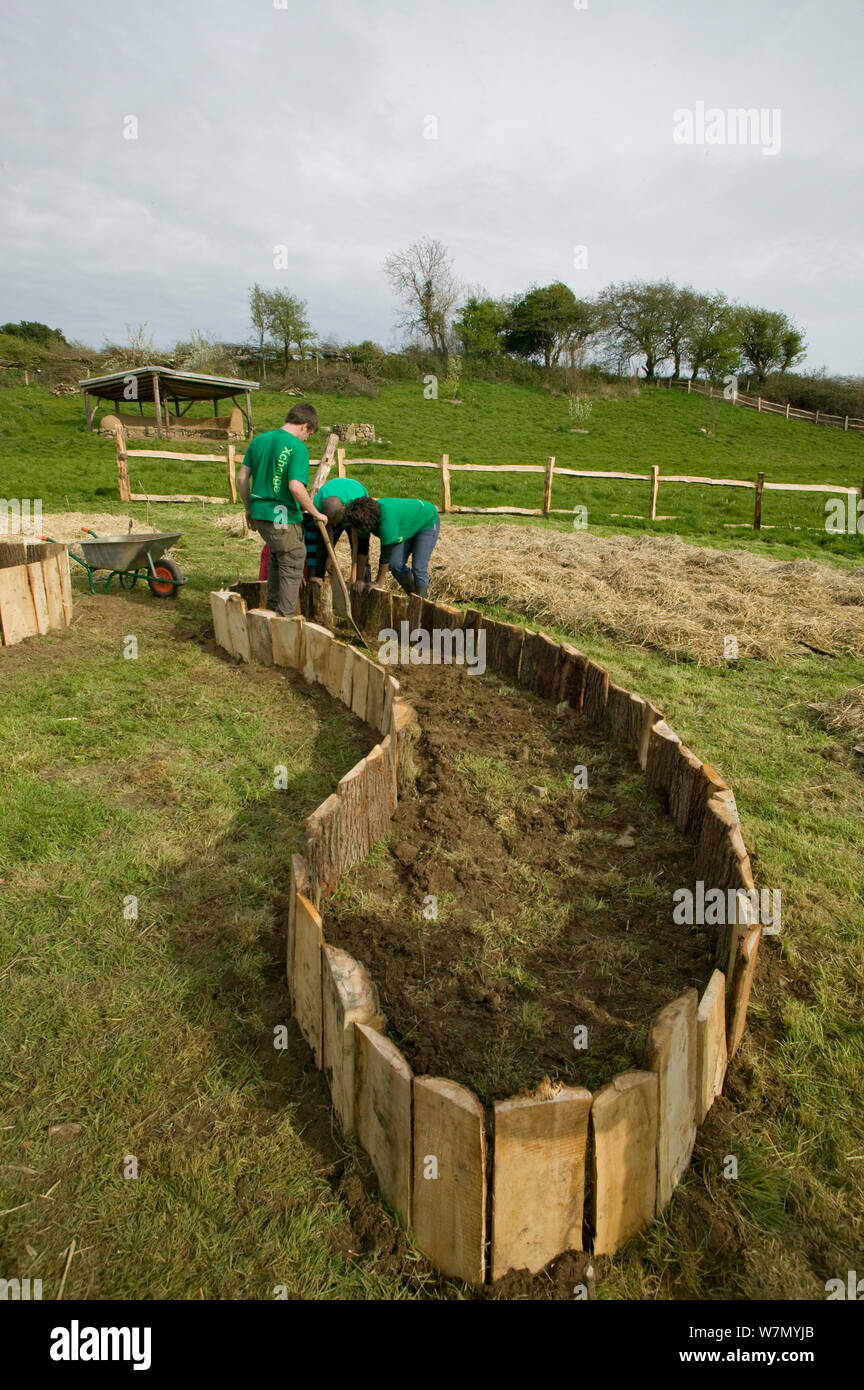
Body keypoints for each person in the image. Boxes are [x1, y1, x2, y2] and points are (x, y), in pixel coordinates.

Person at [236, 403, 328, 616]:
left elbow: (241, 479)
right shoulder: (297, 448)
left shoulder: (259, 440)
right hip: (282, 515)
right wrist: (315, 512)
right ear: (304, 426)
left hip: (260, 513)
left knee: (278, 556)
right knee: (294, 555)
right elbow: (295, 487)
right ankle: (285, 619)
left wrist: (248, 508)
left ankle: (271, 611)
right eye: (309, 434)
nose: (307, 439)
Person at [341, 495, 440, 597]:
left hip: (426, 521)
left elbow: (385, 556)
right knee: (395, 565)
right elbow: (362, 551)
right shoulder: (361, 523)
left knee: (419, 567)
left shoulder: (386, 521)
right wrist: (360, 579)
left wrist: (378, 583)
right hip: (405, 526)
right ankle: (414, 598)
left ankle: (423, 604)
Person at [304, 477, 372, 594]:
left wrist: (353, 576)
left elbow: (356, 543)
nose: (335, 525)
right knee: (320, 550)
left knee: (362, 556)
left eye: (336, 522)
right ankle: (315, 588)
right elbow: (327, 530)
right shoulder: (318, 504)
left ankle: (363, 591)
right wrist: (330, 556)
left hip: (354, 508)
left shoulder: (357, 507)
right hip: (328, 513)